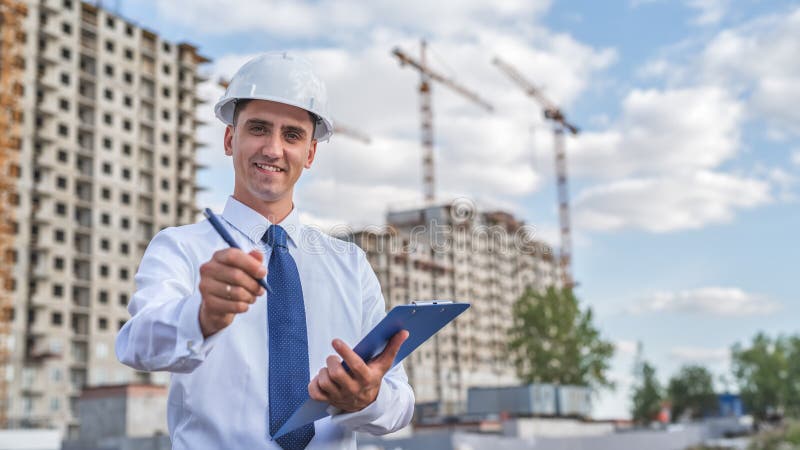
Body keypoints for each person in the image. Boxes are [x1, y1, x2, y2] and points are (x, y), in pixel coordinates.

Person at [115, 52, 414, 450]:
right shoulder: (180, 248)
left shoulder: (350, 264)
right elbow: (136, 345)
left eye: (292, 135)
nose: (273, 149)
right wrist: (201, 316)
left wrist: (368, 398)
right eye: (258, 128)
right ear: (229, 139)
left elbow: (401, 403)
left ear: (309, 154)